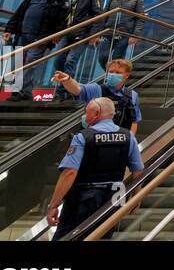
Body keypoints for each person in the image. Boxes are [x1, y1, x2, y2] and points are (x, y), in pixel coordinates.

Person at [46, 97, 143, 240]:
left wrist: (54, 205)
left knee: (68, 237)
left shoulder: (83, 137)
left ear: (97, 114)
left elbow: (70, 172)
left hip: (84, 197)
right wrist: (137, 196)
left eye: (87, 112)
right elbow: (137, 170)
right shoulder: (128, 136)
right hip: (114, 198)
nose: (85, 117)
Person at [1, 0, 69, 102]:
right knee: (18, 63)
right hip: (24, 34)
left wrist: (57, 34)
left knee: (30, 63)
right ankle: (25, 92)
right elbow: (20, 11)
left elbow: (63, 16)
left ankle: (19, 91)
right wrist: (9, 28)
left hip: (42, 36)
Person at [53, 0, 105, 102]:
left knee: (71, 60)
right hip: (69, 31)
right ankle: (65, 87)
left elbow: (98, 14)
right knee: (58, 58)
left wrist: (94, 34)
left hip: (83, 33)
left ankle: (64, 91)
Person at [50, 59, 141, 133]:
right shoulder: (96, 89)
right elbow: (77, 89)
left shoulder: (132, 95)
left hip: (118, 143)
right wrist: (68, 80)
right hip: (94, 141)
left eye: (118, 72)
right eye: (111, 71)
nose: (113, 74)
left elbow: (134, 121)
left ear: (127, 75)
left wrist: (130, 141)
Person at [99, 0, 143, 65]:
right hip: (109, 32)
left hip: (125, 33)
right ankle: (110, 75)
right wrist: (99, 32)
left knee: (117, 58)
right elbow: (104, 16)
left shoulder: (137, 0)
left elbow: (140, 18)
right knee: (103, 57)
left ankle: (116, 77)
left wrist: (135, 35)